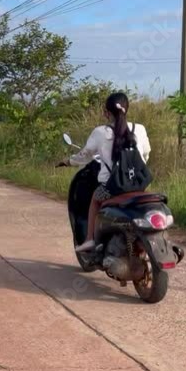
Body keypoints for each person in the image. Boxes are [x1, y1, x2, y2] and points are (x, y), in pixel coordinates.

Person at [61, 92, 150, 253]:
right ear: (126, 109)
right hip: (139, 187)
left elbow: (85, 155)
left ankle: (89, 239)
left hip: (112, 188)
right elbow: (145, 154)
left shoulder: (101, 132)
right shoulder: (140, 129)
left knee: (95, 199)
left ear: (107, 113)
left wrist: (68, 161)